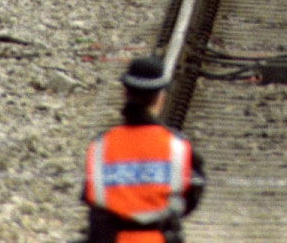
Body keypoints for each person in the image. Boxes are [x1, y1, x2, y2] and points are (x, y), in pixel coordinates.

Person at [81, 55, 206, 243]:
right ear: (160, 97)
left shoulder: (100, 146)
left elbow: (91, 200)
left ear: (125, 93)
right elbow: (192, 195)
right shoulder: (178, 147)